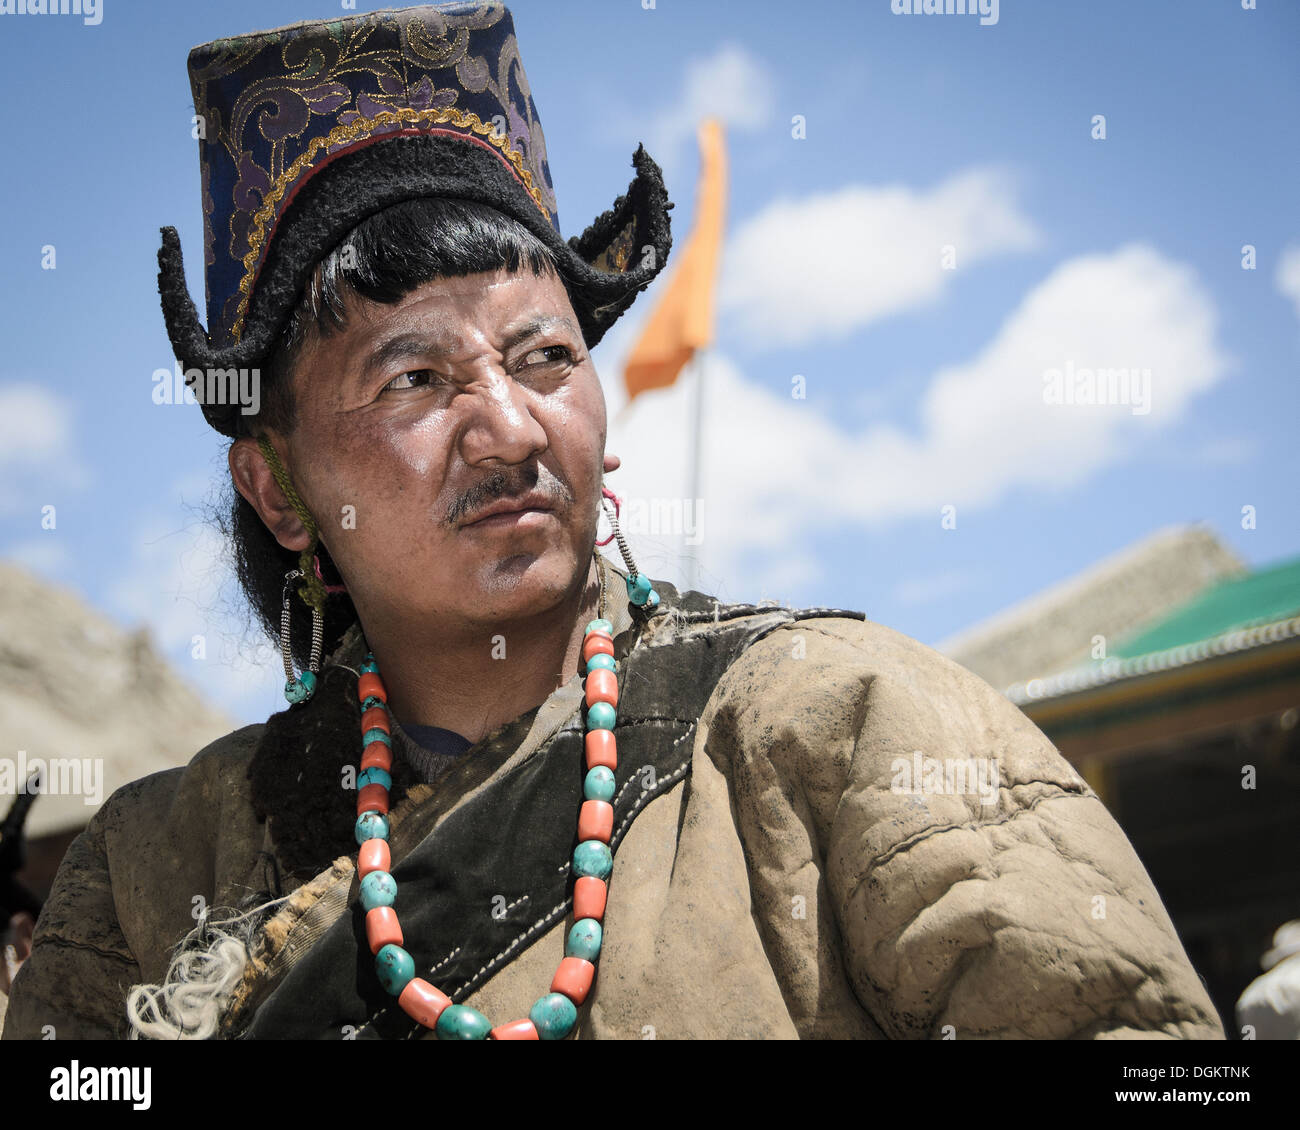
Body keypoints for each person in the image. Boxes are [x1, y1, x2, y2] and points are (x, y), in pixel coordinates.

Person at [1, 1, 1224, 1041]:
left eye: (543, 355)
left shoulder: (836, 722)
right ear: (278, 487)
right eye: (413, 379)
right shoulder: (154, 866)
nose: (511, 427)